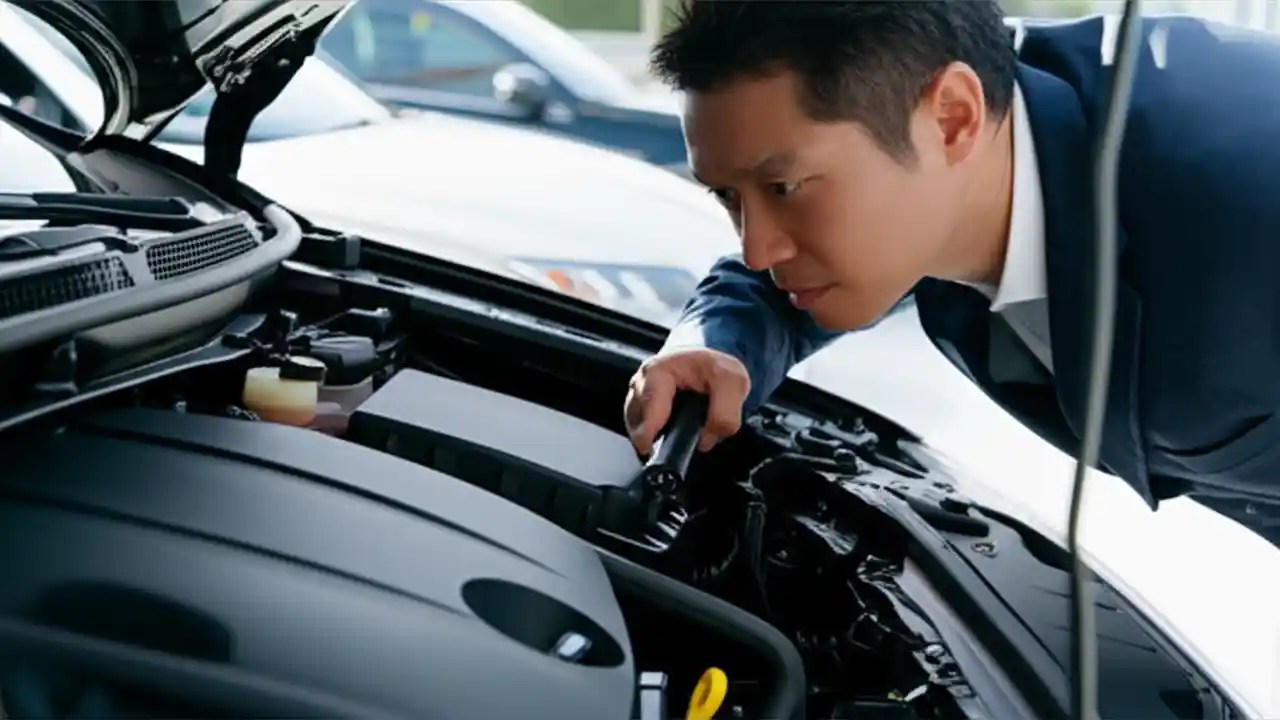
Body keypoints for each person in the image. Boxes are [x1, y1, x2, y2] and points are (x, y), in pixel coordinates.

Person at [622, 0, 1280, 547]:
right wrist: (711, 344)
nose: (757, 249)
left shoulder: (1246, 202)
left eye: (786, 186)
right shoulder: (928, 107)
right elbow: (763, 288)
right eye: (728, 197)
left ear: (952, 118)